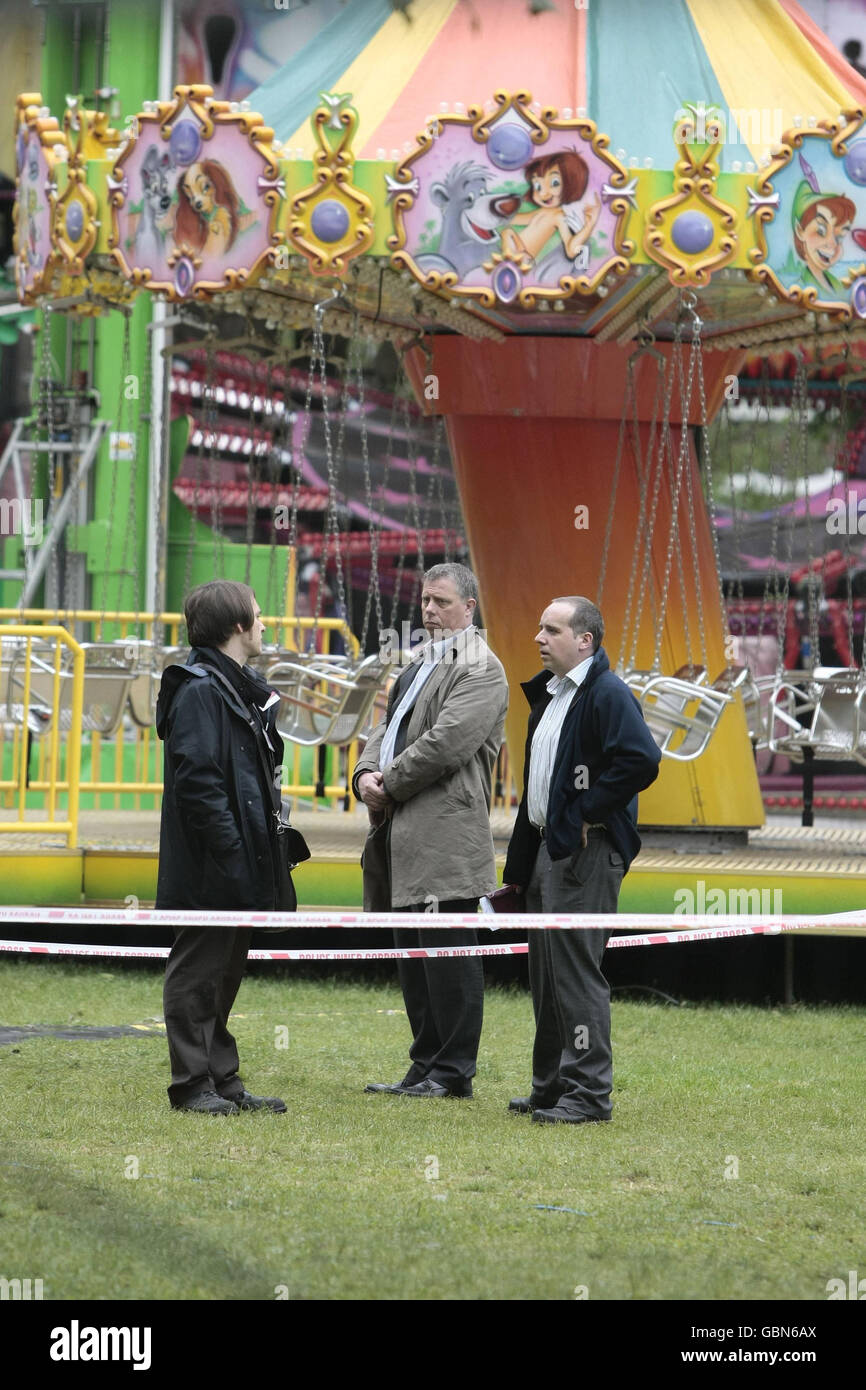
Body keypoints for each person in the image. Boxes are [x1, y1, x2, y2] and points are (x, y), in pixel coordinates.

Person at [503, 596, 661, 1125]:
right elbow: (538, 788)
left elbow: (641, 759)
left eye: (551, 630)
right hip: (553, 848)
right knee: (547, 974)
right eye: (539, 628)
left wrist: (588, 812)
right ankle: (550, 1087)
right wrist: (523, 865)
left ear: (584, 641)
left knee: (575, 974)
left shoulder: (607, 692)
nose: (539, 638)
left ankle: (589, 1095)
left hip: (587, 852)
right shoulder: (552, 695)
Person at [354, 562, 508, 1099]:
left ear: (470, 609)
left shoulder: (482, 668)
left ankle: (452, 1072)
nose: (429, 611)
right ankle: (424, 1067)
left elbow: (446, 744)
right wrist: (363, 776)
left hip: (444, 833)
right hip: (401, 831)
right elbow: (385, 728)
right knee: (415, 958)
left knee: (447, 956)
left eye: (441, 602)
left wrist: (386, 785)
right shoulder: (419, 662)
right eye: (424, 601)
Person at [156, 580, 303, 1115]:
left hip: (241, 860)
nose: (265, 624)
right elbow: (199, 783)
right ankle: (192, 1085)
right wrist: (231, 854)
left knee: (225, 971)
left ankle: (222, 1080)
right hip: (210, 868)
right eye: (259, 615)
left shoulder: (235, 687)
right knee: (197, 972)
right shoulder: (199, 690)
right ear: (237, 626)